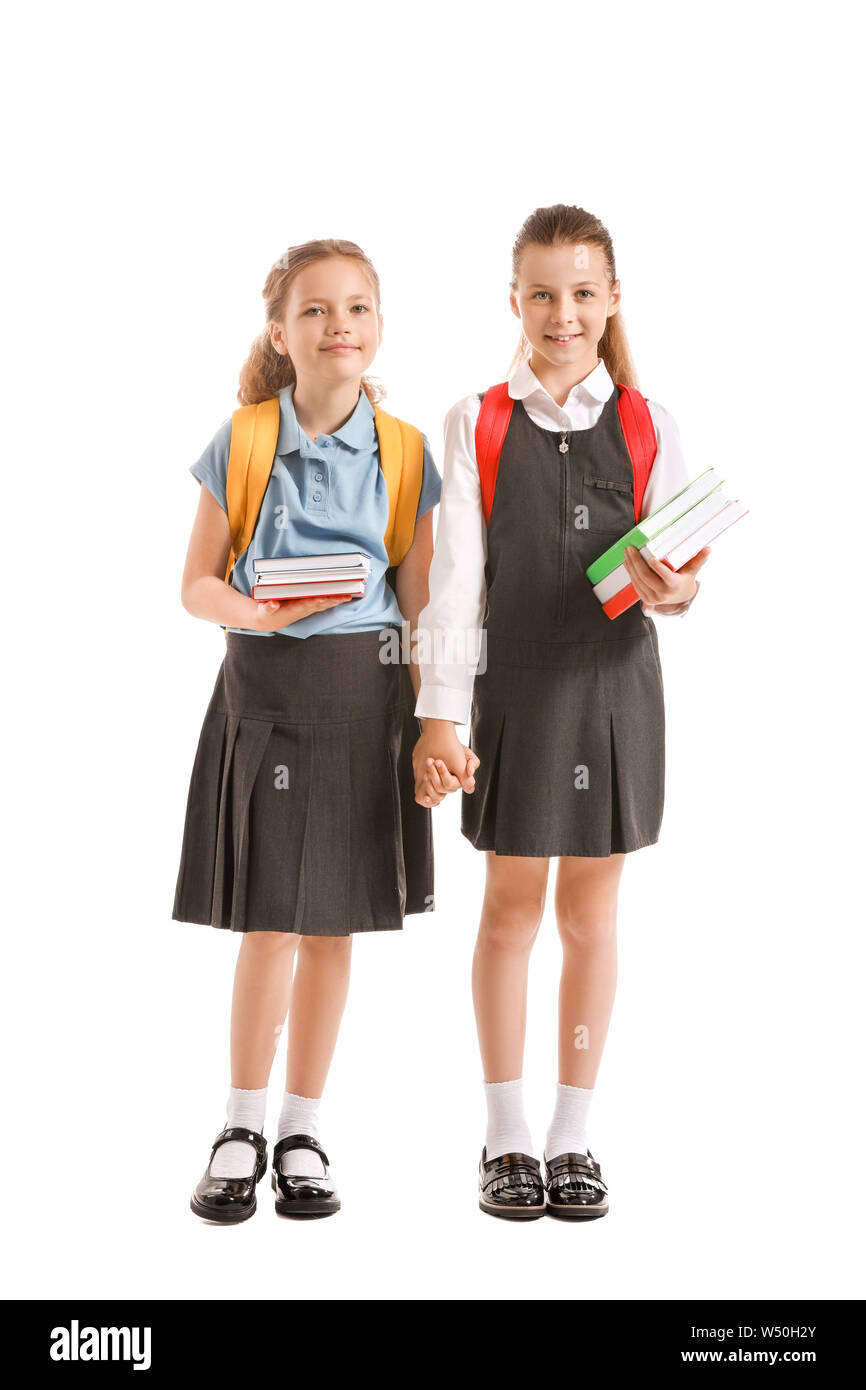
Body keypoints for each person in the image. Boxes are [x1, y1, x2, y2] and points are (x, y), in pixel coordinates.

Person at [412, 204, 709, 1220]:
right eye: (542, 292)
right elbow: (454, 582)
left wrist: (677, 591)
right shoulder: (477, 421)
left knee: (590, 916)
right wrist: (439, 715)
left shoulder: (646, 421)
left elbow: (675, 565)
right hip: (518, 694)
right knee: (507, 911)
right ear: (514, 301)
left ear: (612, 299)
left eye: (582, 291)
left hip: (614, 690)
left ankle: (570, 1136)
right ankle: (503, 1137)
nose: (562, 311)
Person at [174, 239, 441, 1222]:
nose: (341, 326)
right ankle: (239, 1124)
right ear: (280, 333)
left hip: (367, 695)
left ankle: (301, 1126)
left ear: (377, 326)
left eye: (359, 308)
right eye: (318, 311)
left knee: (338, 921)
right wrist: (257, 613)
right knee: (272, 918)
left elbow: (421, 607)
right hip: (269, 686)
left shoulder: (405, 450)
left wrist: (434, 724)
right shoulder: (244, 440)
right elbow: (195, 584)